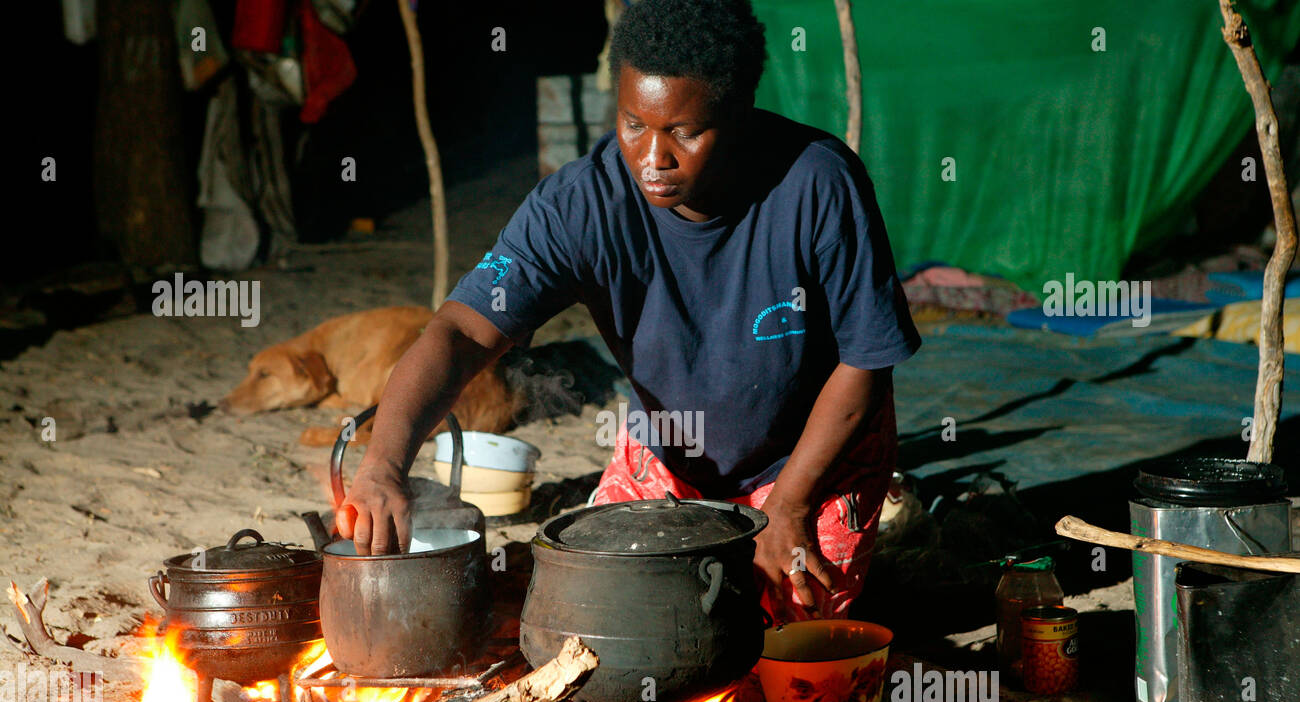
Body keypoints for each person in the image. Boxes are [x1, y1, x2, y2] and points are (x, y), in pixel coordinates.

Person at [337, 0, 921, 624]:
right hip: (669, 452)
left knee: (772, 647)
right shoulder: (580, 205)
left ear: (740, 113)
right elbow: (459, 330)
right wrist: (382, 465)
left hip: (813, 459)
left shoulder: (819, 183)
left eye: (685, 131)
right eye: (634, 123)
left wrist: (791, 508)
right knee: (611, 625)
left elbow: (865, 364)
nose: (653, 157)